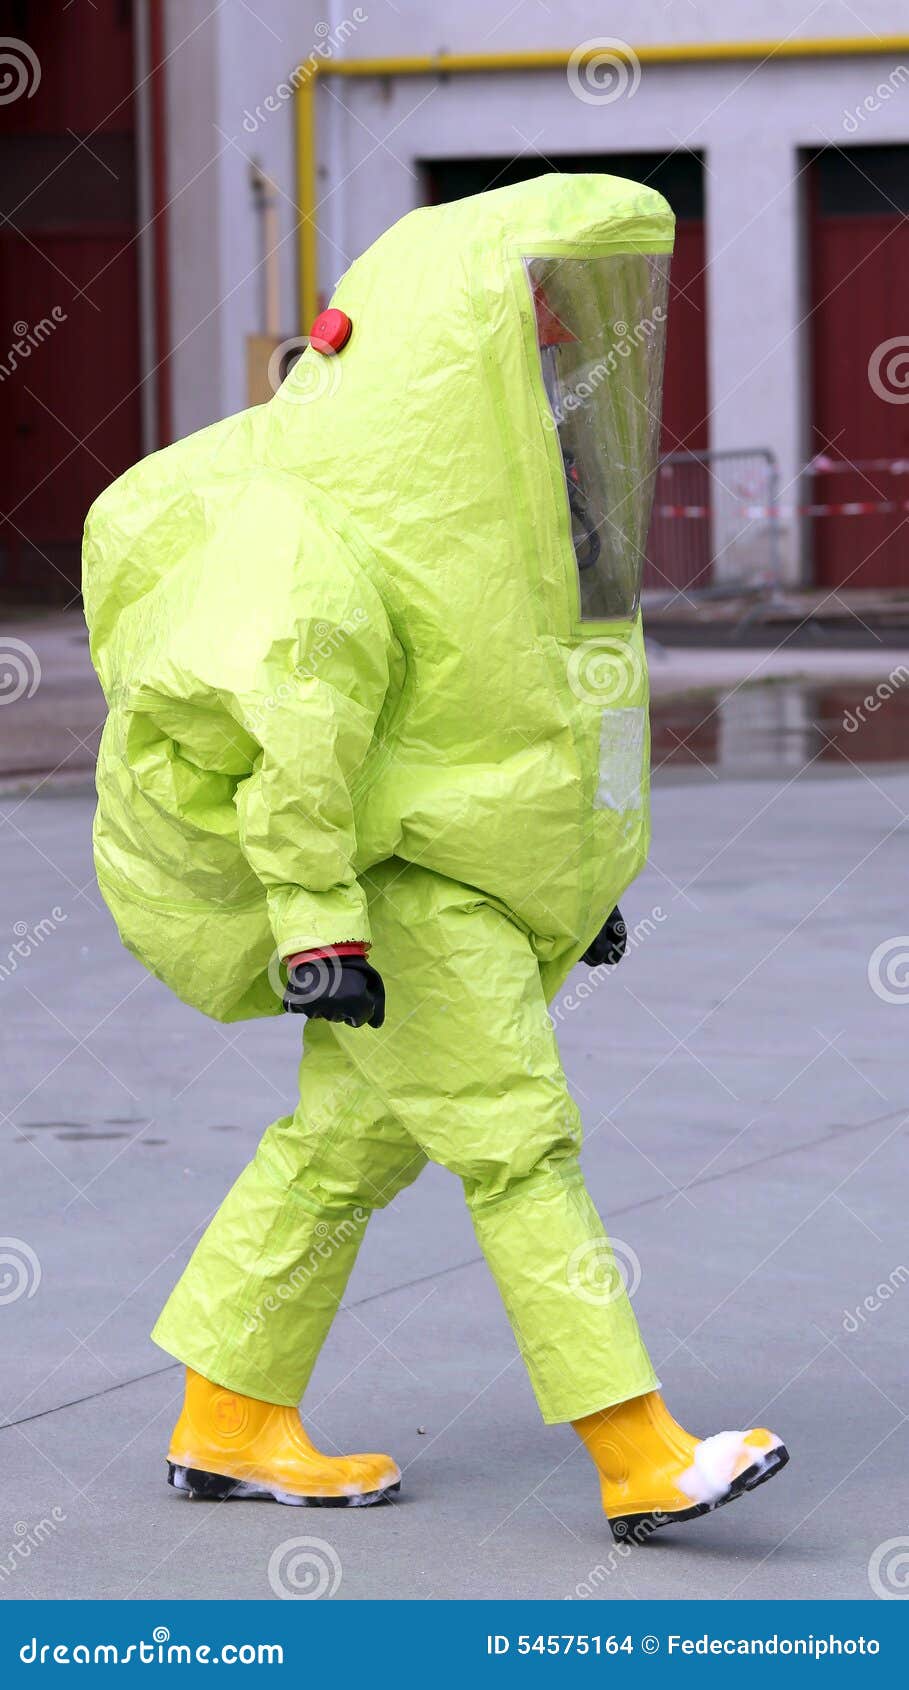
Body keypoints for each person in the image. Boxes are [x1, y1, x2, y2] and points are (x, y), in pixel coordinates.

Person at [83, 174, 787, 1540]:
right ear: (455, 334)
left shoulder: (496, 506)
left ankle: (226, 1419)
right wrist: (316, 927)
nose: (569, 341)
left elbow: (526, 703)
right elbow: (299, 748)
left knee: (335, 1155)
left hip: (456, 877)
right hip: (406, 892)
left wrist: (580, 881)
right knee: (519, 1142)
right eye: (541, 314)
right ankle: (635, 1449)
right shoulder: (331, 531)